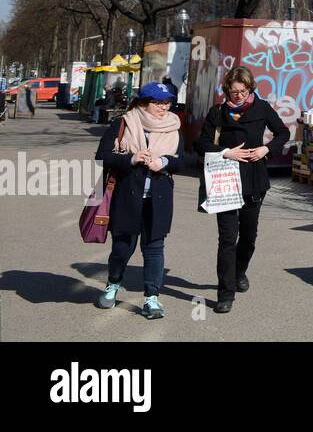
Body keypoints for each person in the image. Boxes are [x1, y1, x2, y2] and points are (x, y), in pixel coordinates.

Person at [195, 67, 290, 313]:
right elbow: (201, 142)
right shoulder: (217, 111)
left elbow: (283, 132)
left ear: (250, 89)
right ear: (226, 90)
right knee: (227, 239)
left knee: (248, 237)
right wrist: (226, 152)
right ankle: (225, 294)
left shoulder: (261, 108)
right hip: (224, 179)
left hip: (254, 180)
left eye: (243, 91)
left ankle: (239, 272)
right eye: (233, 91)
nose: (238, 96)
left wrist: (266, 149)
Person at [93, 82, 182, 319]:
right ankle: (113, 284)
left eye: (167, 102)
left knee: (154, 249)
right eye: (158, 102)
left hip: (159, 198)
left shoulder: (173, 126)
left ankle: (151, 297)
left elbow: (181, 160)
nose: (164, 107)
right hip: (127, 196)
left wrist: (163, 162)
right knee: (122, 248)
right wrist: (131, 159)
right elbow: (101, 156)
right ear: (143, 103)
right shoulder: (123, 123)